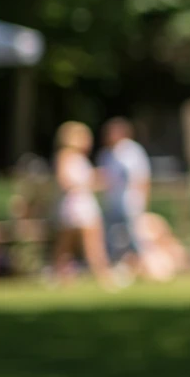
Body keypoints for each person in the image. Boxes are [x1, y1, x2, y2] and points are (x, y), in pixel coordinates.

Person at [52, 121, 113, 288]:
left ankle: (60, 275)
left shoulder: (79, 158)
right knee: (91, 244)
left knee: (67, 246)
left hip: (80, 204)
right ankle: (103, 276)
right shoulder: (65, 156)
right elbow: (65, 181)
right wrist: (89, 182)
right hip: (77, 205)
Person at [97, 117, 151, 271]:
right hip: (112, 203)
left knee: (136, 237)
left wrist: (142, 202)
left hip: (131, 203)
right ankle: (116, 266)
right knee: (114, 237)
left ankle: (147, 266)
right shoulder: (106, 154)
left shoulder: (132, 151)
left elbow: (142, 178)